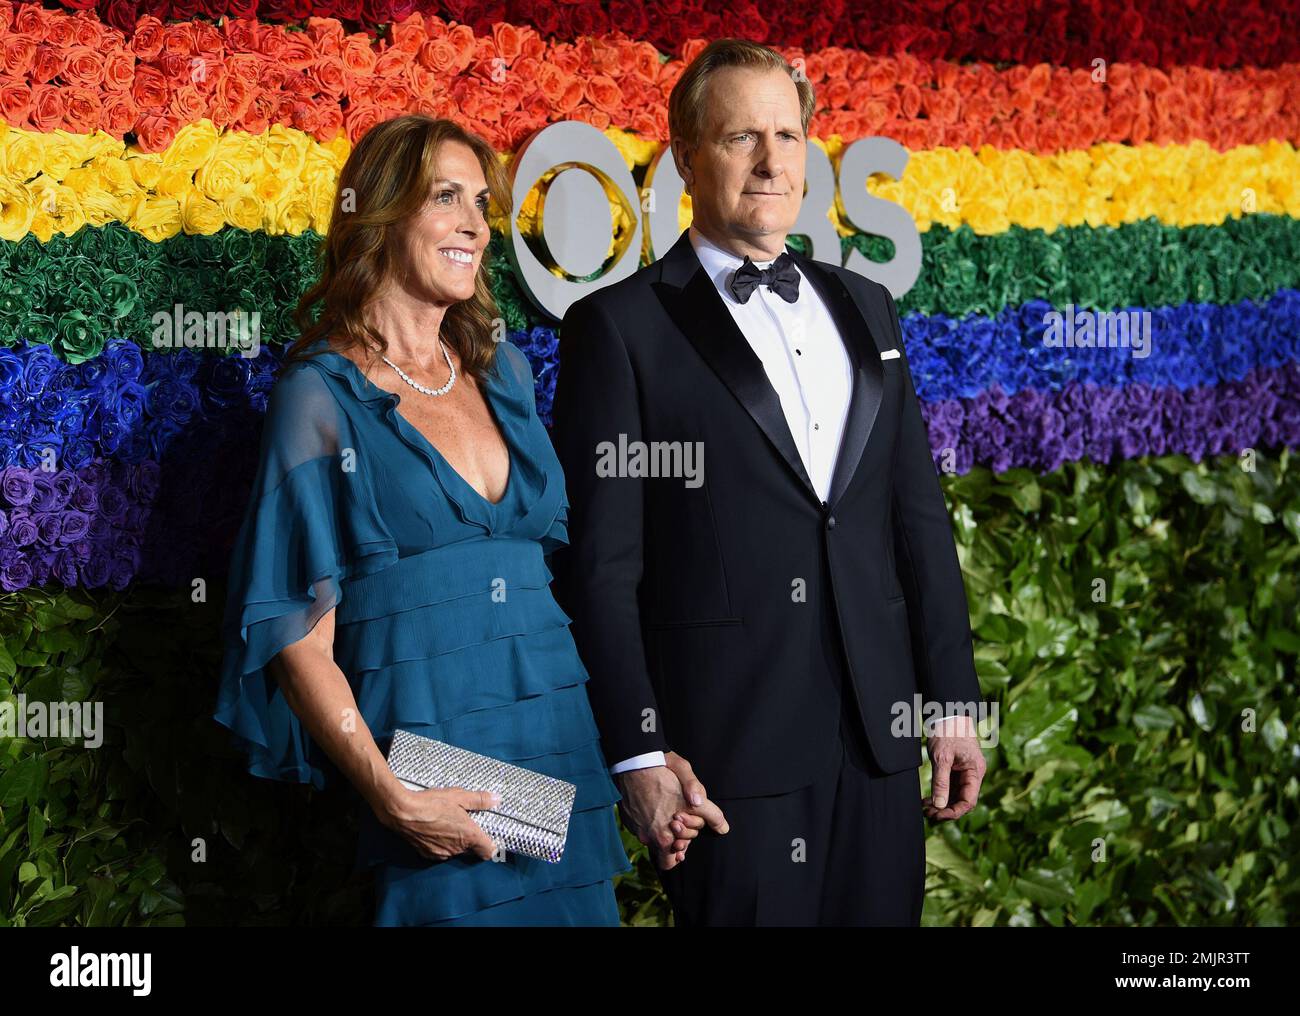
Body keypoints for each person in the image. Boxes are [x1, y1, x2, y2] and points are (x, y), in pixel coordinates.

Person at [550, 39, 987, 926]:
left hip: (878, 739)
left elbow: (915, 517)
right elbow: (603, 565)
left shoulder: (867, 305)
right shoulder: (619, 328)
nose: (771, 160)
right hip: (726, 758)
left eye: (788, 135)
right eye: (742, 136)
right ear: (685, 157)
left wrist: (949, 699)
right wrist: (638, 755)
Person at [214, 114, 630, 926]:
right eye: (446, 197)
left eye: (481, 202)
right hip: (439, 777)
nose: (476, 224)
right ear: (378, 213)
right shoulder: (321, 396)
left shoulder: (502, 371)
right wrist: (393, 796)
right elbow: (298, 636)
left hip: (556, 748)